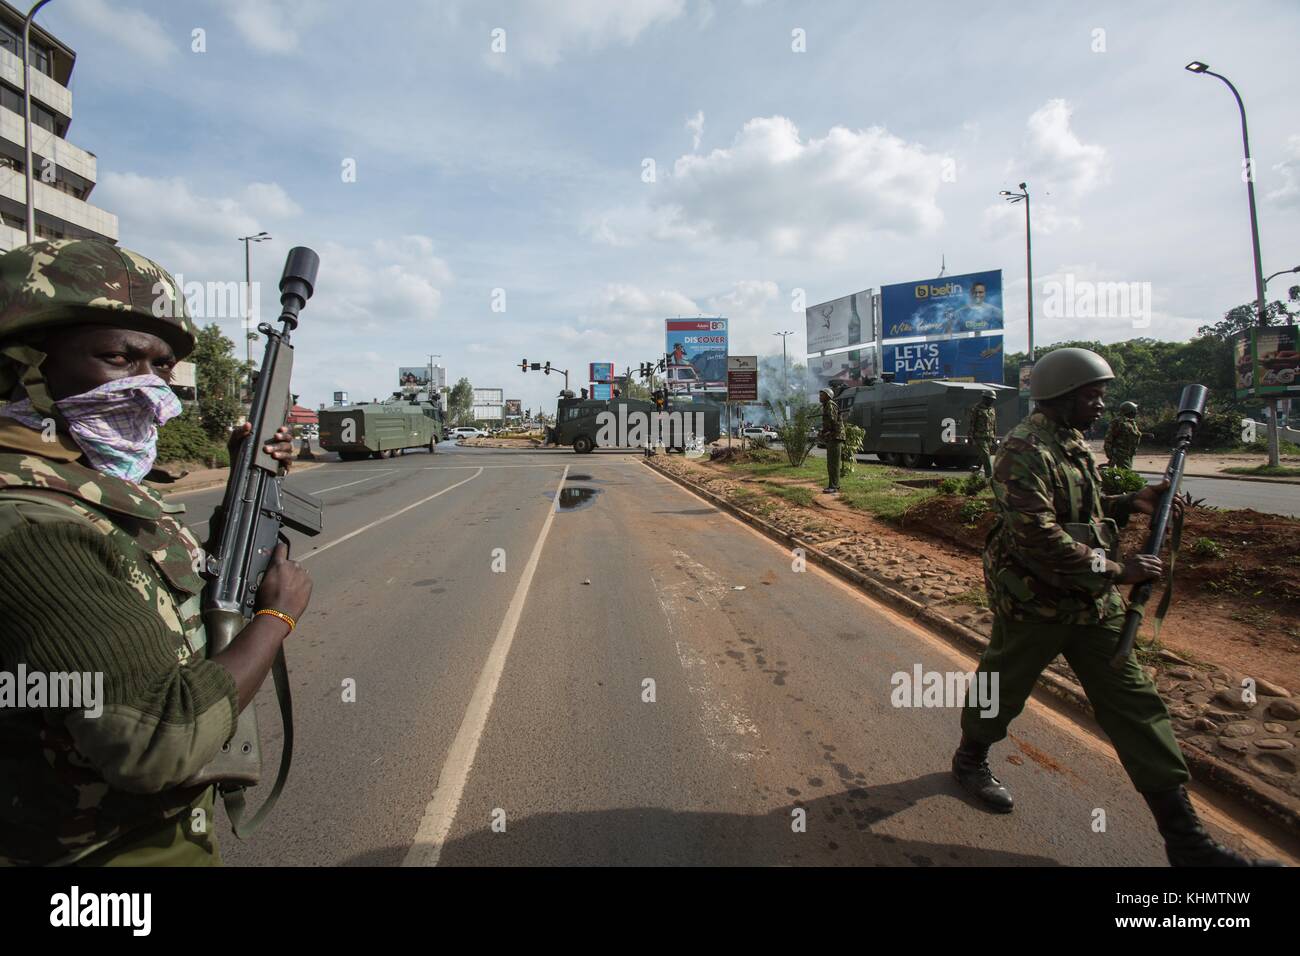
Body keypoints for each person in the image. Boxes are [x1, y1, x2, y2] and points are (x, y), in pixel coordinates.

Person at [0, 239, 311, 866]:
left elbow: (169, 589)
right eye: (120, 358)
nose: (148, 388)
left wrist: (248, 486)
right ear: (25, 368)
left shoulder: (86, 491)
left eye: (162, 367)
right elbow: (156, 739)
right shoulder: (33, 522)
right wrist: (276, 620)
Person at [950, 347, 1275, 867]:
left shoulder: (1073, 443)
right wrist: (1117, 571)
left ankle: (1187, 843)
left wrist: (1131, 504)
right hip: (1036, 603)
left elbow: (1083, 509)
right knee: (1001, 689)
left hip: (1091, 605)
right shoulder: (1022, 450)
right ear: (1062, 398)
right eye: (1092, 396)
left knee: (1136, 707)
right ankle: (970, 759)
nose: (1101, 405)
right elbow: (1037, 536)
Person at [818, 387, 843, 493]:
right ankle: (832, 485)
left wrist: (826, 432)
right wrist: (824, 432)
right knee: (831, 463)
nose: (820, 397)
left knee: (833, 463)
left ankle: (834, 486)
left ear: (828, 396)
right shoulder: (826, 405)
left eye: (822, 395)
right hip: (832, 437)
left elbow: (833, 422)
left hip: (835, 437)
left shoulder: (830, 405)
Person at [1104, 401, 1142, 470]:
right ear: (1130, 411)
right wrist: (1110, 454)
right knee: (1126, 475)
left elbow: (1133, 435)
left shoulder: (1131, 422)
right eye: (1134, 411)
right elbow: (1108, 438)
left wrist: (1145, 435)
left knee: (1125, 475)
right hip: (1120, 454)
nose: (1136, 413)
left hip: (1129, 454)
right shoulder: (1118, 422)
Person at [967, 391, 997, 478]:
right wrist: (970, 437)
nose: (992, 401)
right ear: (985, 398)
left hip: (989, 436)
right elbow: (972, 423)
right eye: (990, 399)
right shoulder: (976, 408)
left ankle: (975, 469)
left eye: (993, 400)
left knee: (983, 455)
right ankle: (989, 477)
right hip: (979, 436)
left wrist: (994, 436)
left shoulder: (992, 409)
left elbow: (994, 424)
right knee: (986, 455)